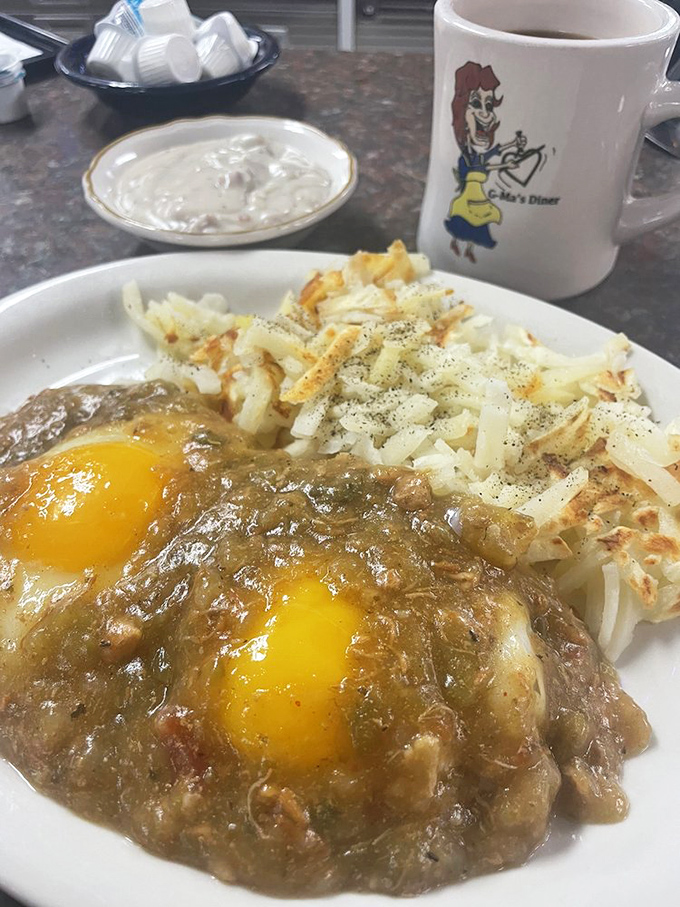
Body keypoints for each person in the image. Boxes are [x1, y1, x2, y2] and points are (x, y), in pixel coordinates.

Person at [445, 61, 526, 262]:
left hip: (479, 198)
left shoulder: (479, 155)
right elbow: (485, 165)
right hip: (468, 198)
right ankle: (454, 244)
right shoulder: (466, 157)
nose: (485, 113)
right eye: (475, 104)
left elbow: (493, 154)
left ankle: (470, 250)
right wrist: (505, 165)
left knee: (478, 224)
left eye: (489, 105)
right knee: (465, 222)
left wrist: (513, 145)